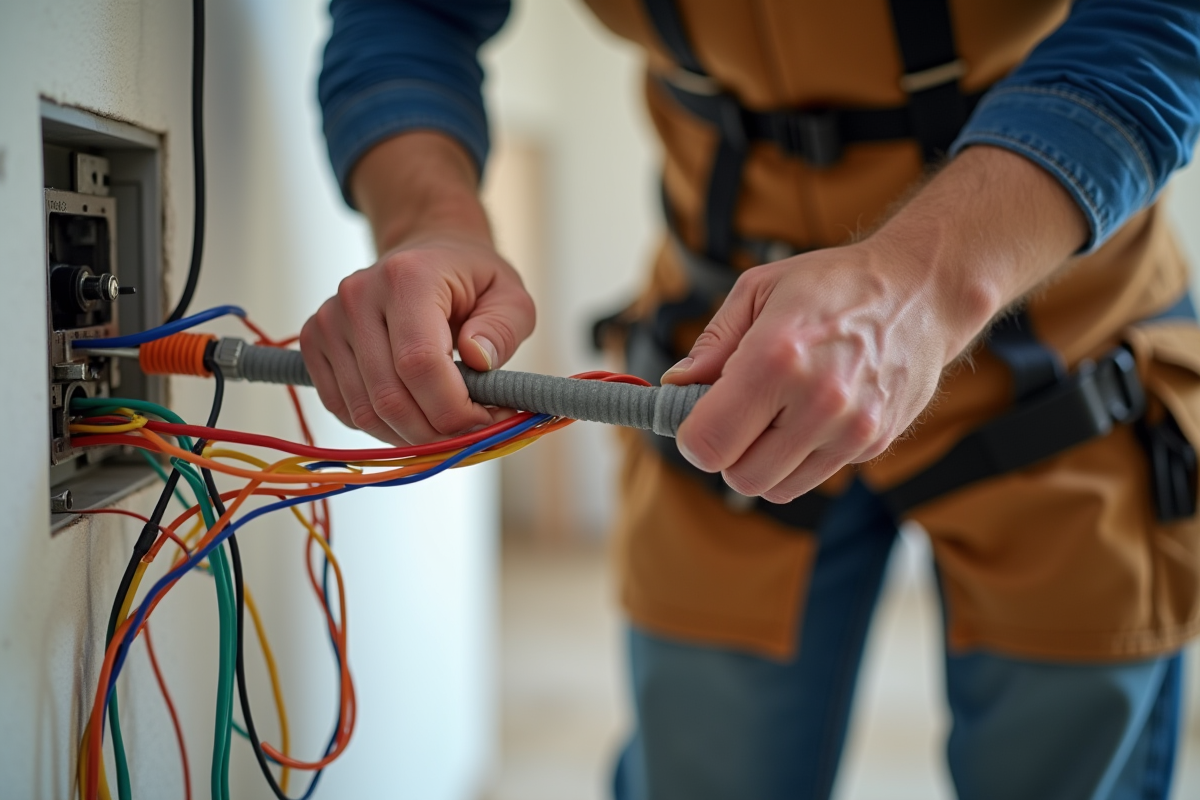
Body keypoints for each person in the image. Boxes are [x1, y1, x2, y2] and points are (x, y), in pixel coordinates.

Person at [308, 1, 1200, 798]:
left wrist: (925, 283)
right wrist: (431, 222)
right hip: (717, 374)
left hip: (1068, 363)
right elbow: (406, 13)